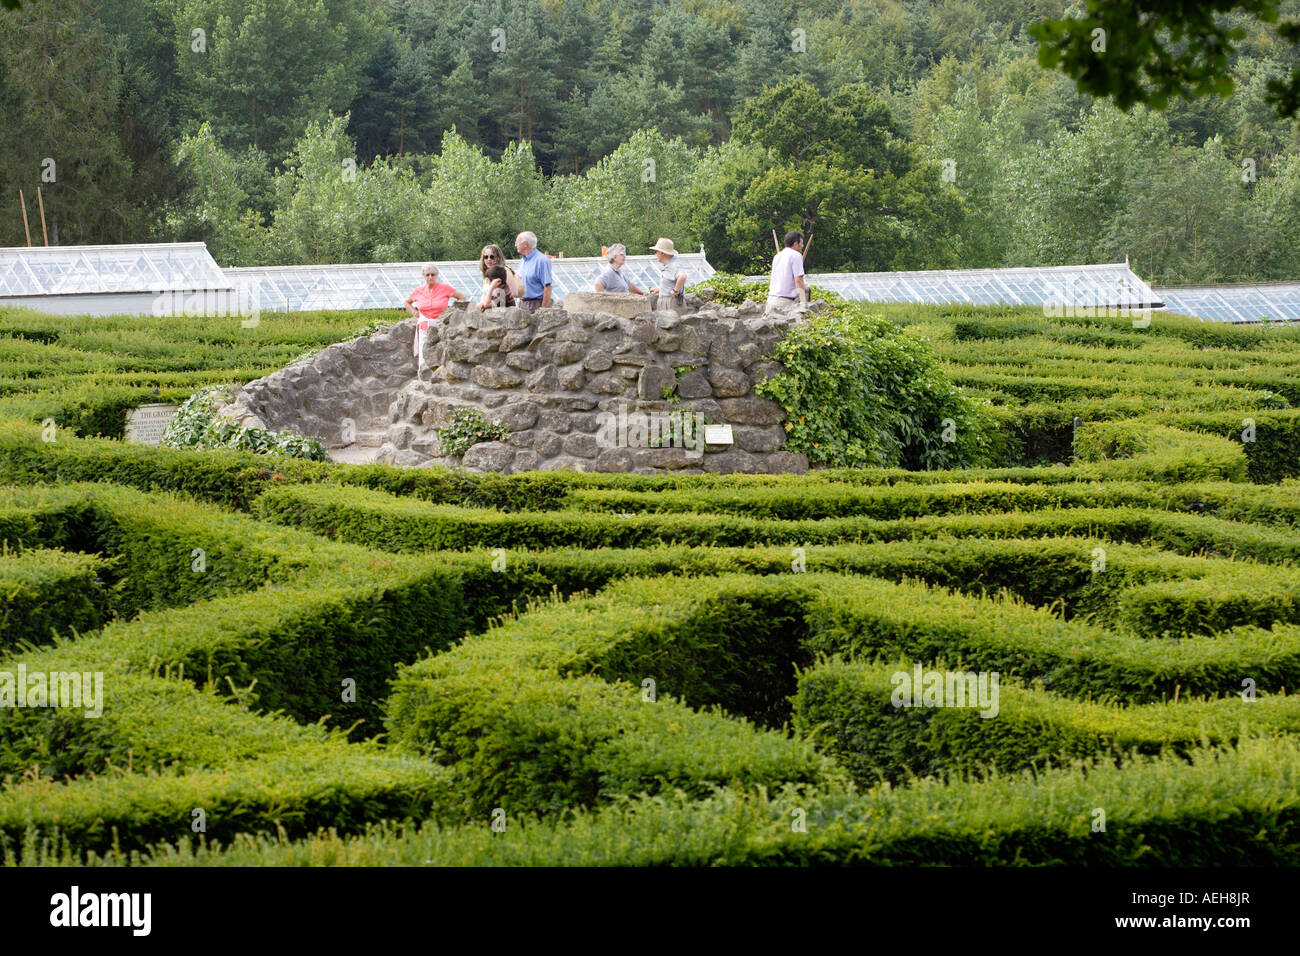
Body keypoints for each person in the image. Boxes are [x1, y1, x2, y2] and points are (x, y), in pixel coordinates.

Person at [404, 264, 466, 370]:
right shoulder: (418, 290)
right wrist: (415, 312)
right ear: (423, 276)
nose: (430, 277)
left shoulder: (445, 288)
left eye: (432, 274)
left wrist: (451, 312)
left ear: (437, 275)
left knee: (441, 353)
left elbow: (462, 297)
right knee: (424, 353)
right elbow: (406, 302)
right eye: (427, 275)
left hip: (441, 325)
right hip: (424, 325)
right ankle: (423, 377)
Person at [767, 230, 808, 310]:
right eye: (801, 243)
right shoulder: (796, 256)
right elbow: (798, 280)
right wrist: (803, 303)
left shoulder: (777, 256)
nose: (802, 246)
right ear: (796, 244)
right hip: (784, 303)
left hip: (771, 301)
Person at [514, 231, 553, 312]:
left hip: (536, 305)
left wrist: (543, 310)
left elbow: (548, 287)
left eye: (517, 242)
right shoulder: (523, 260)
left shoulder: (542, 260)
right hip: (522, 304)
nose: (515, 245)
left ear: (525, 244)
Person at [650, 237, 686, 308]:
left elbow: (682, 276)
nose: (655, 254)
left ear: (662, 253)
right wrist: (660, 289)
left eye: (656, 251)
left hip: (672, 303)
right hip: (668, 303)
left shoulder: (674, 264)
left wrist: (675, 291)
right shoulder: (670, 264)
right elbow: (671, 282)